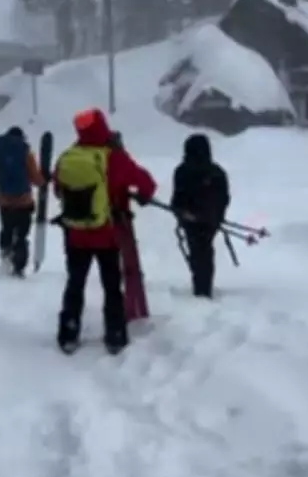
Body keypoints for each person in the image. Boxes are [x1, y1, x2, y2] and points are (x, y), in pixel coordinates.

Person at [53, 109, 156, 353]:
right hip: (107, 234)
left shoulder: (68, 156)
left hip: (76, 234)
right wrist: (140, 196)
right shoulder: (114, 157)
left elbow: (58, 189)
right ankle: (115, 334)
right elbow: (146, 183)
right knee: (111, 285)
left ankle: (69, 332)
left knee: (75, 283)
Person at [170, 133, 230, 299]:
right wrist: (218, 216)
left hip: (193, 220)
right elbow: (224, 198)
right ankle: (204, 286)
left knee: (198, 251)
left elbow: (177, 198)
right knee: (204, 251)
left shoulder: (182, 171)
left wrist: (181, 213)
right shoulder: (217, 172)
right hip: (209, 220)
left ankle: (201, 287)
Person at [0, 126, 45, 276]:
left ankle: (5, 254)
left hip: (5, 202)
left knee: (7, 229)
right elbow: (35, 178)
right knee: (22, 234)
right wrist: (43, 182)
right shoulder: (26, 153)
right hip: (24, 202)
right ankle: (19, 266)